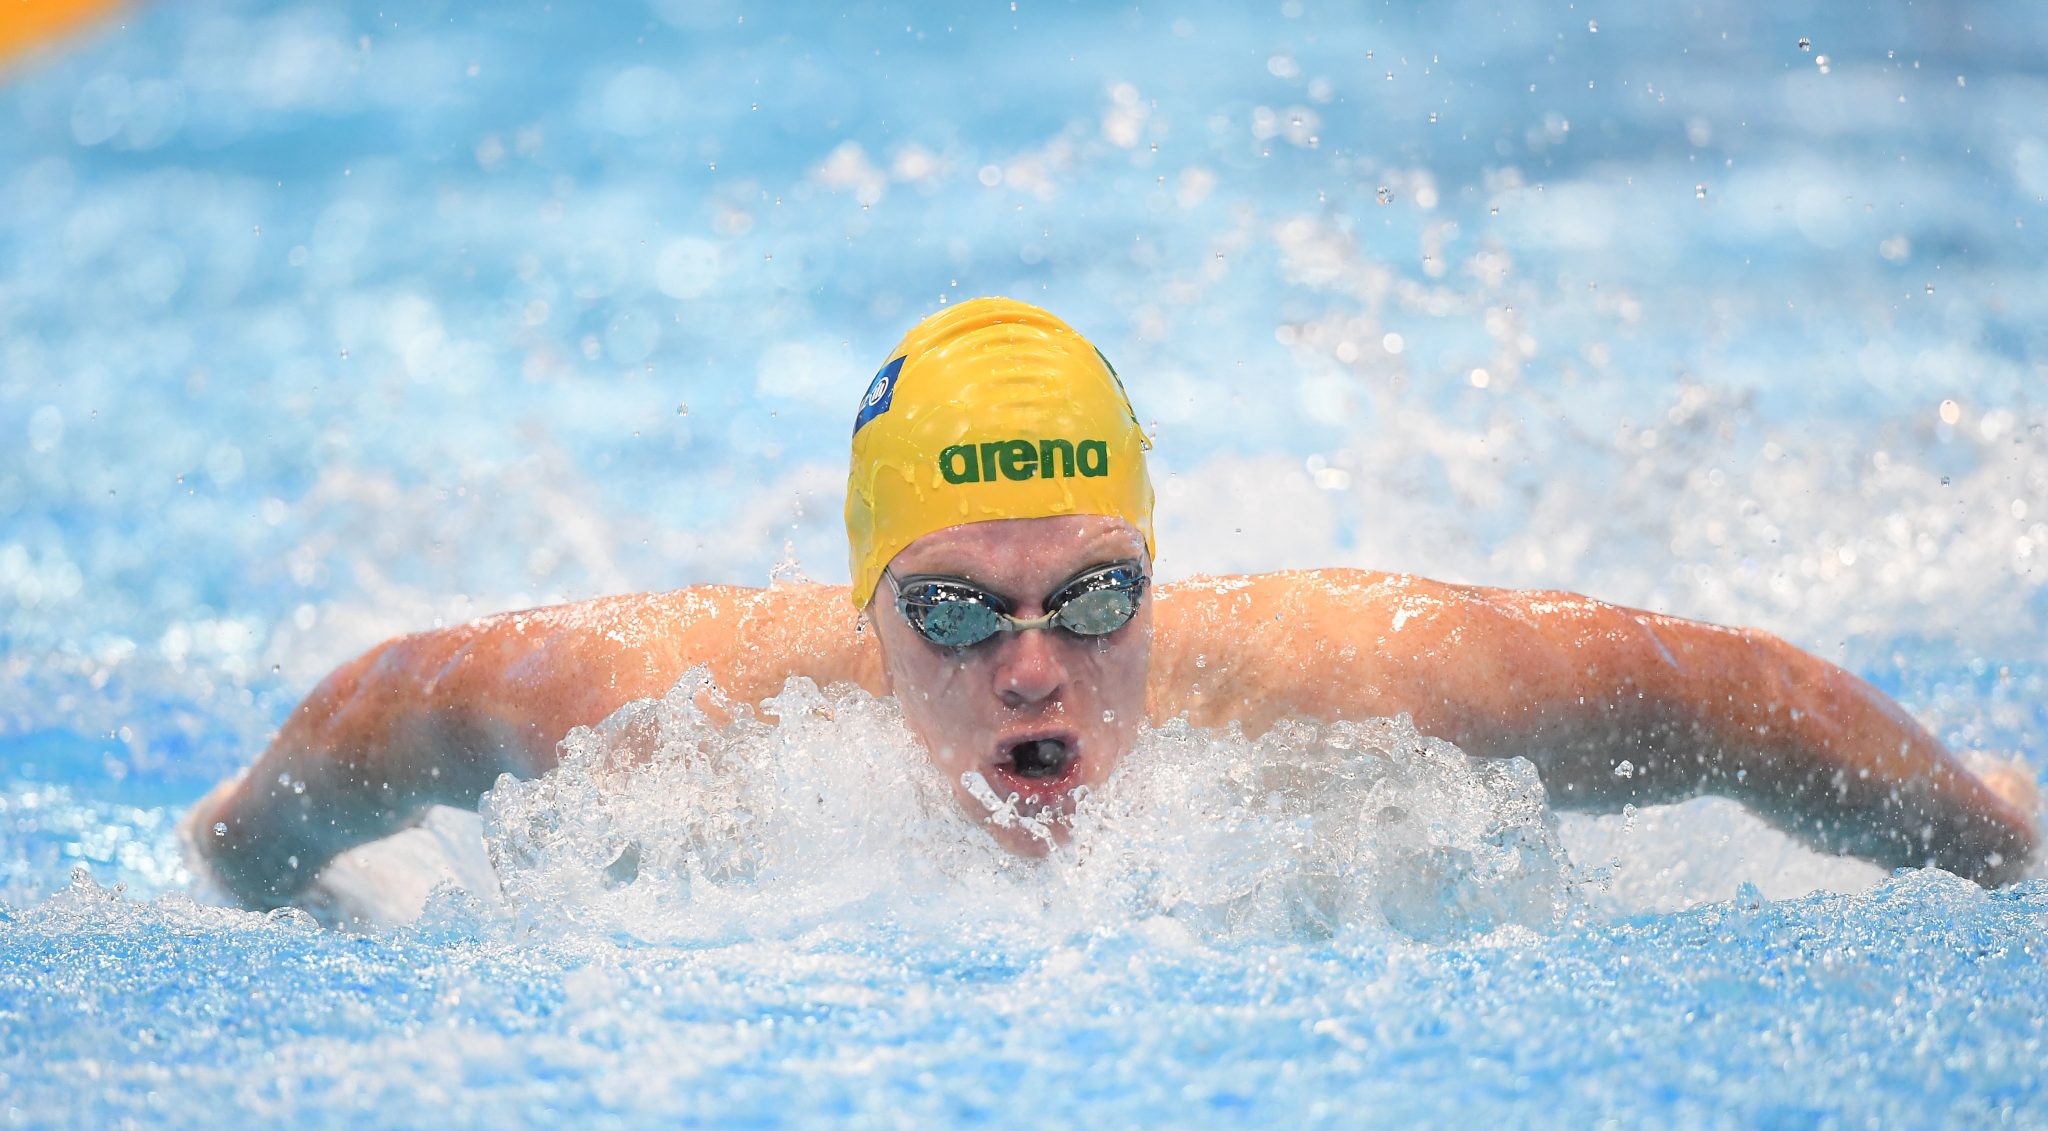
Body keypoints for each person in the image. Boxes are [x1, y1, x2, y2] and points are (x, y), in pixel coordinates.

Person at [187, 297, 2038, 907]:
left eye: (1094, 593)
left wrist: (1998, 834)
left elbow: (1713, 694)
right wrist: (251, 869)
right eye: (958, 615)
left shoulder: (1362, 688)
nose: (1037, 667)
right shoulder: (661, 707)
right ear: (862, 612)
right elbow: (394, 703)